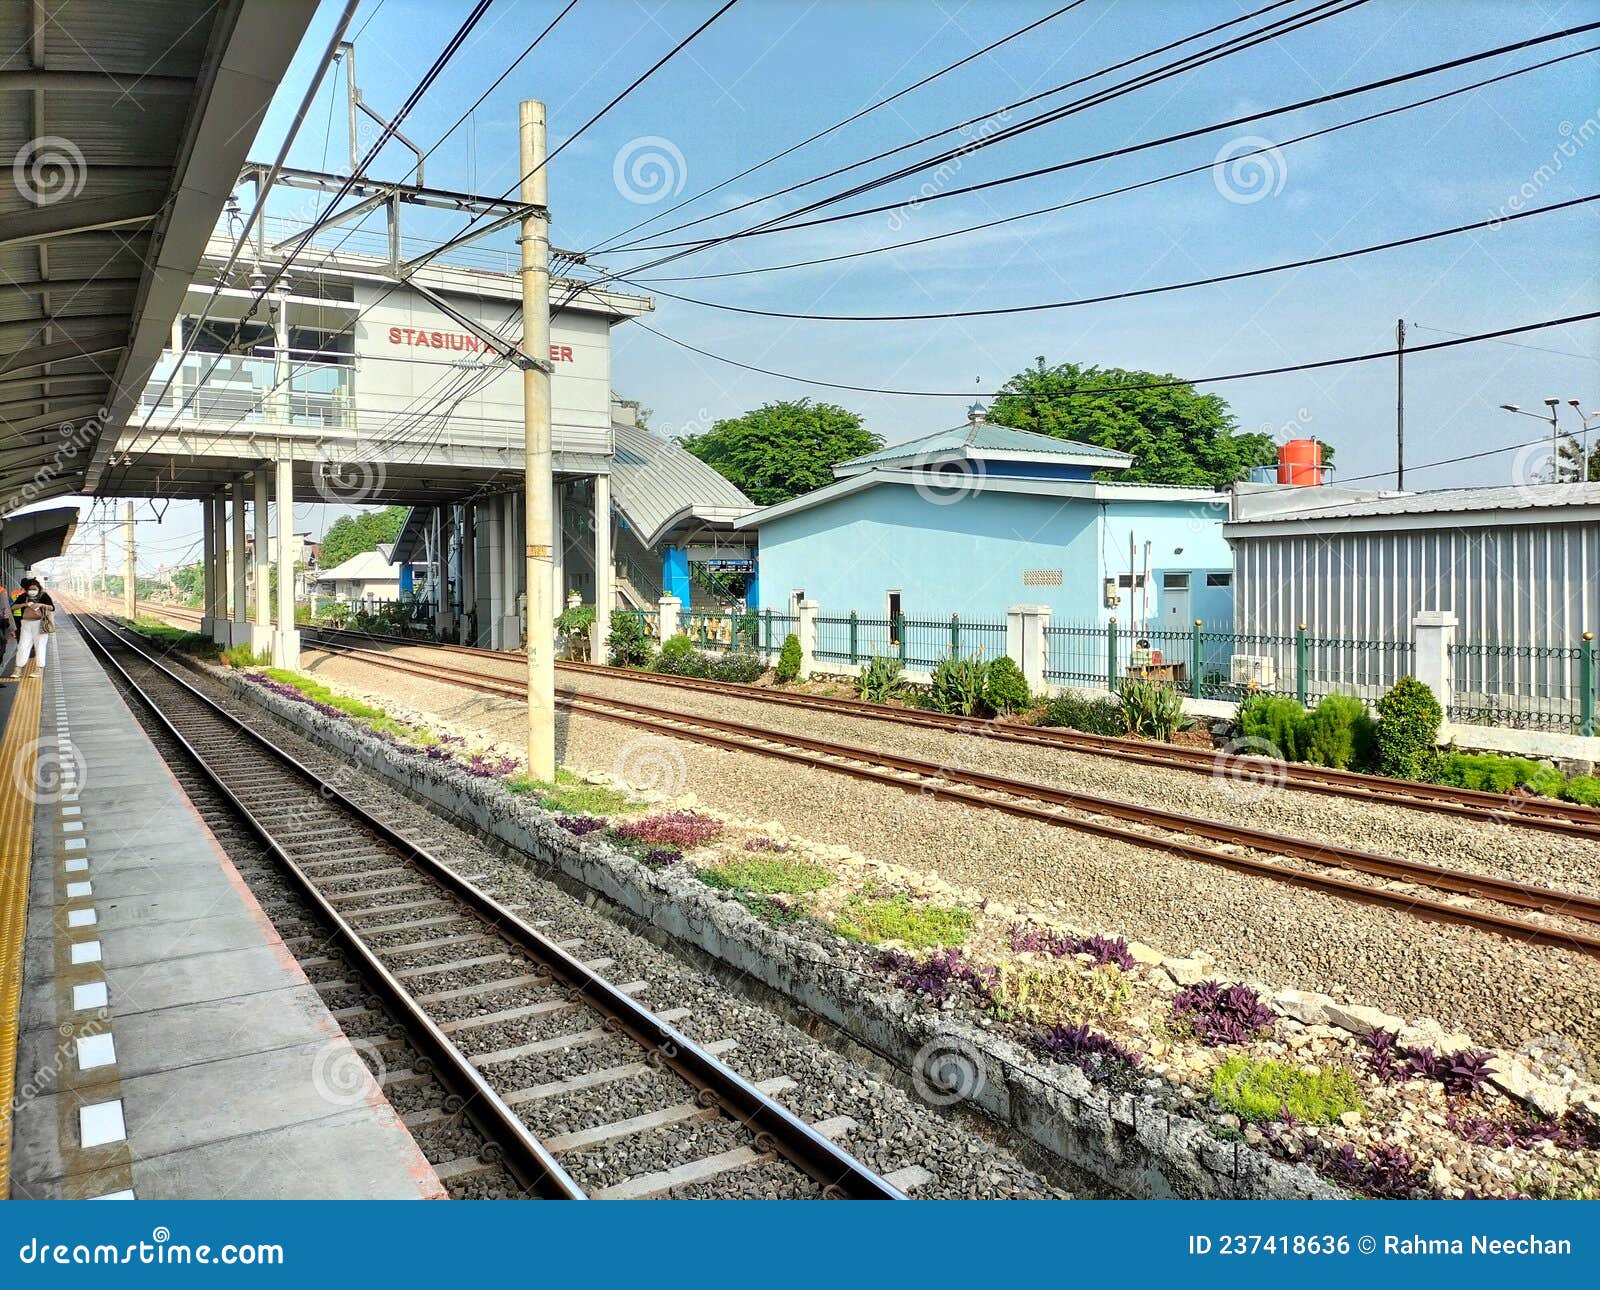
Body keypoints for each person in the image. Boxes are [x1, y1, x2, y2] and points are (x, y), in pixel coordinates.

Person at [12, 577, 54, 676]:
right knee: (23, 646)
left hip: (40, 623)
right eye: (30, 589)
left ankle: (39, 668)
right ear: (26, 590)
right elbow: (13, 607)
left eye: (34, 589)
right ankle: (18, 668)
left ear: (38, 588)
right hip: (26, 623)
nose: (32, 591)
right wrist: (25, 604)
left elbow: (52, 607)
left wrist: (41, 604)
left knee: (40, 646)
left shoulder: (44, 596)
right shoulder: (23, 596)